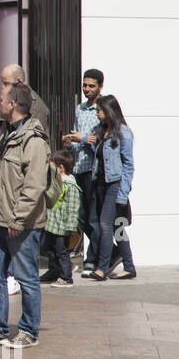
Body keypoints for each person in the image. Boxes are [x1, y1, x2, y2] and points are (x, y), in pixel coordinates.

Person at [0, 81, 48, 349]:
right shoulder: (5, 137)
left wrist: (19, 219)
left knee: (26, 278)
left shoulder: (33, 141)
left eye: (2, 99)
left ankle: (28, 331)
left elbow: (34, 185)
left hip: (21, 224)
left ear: (13, 104)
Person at [85, 93, 136, 281]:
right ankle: (129, 266)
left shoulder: (123, 132)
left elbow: (128, 165)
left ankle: (102, 267)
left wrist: (123, 193)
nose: (97, 114)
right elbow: (96, 152)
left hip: (114, 184)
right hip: (100, 183)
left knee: (105, 225)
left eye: (99, 110)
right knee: (117, 226)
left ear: (108, 110)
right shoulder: (99, 130)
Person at [63, 69, 104, 245]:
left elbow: (102, 140)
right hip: (79, 166)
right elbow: (78, 138)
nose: (86, 89)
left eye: (91, 86)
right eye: (84, 85)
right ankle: (104, 253)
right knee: (79, 216)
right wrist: (70, 142)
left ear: (100, 86)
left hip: (93, 169)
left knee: (94, 216)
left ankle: (99, 256)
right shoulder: (80, 108)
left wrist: (84, 139)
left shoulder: (104, 108)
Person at [40, 150, 82, 286]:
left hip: (62, 228)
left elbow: (73, 208)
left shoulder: (70, 186)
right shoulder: (55, 183)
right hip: (51, 225)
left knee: (61, 252)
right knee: (48, 249)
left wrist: (71, 228)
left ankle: (66, 277)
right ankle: (54, 271)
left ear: (60, 168)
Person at [0, 64, 50, 133]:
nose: (3, 87)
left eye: (6, 83)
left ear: (19, 81)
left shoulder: (33, 105)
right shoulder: (15, 99)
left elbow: (34, 138)